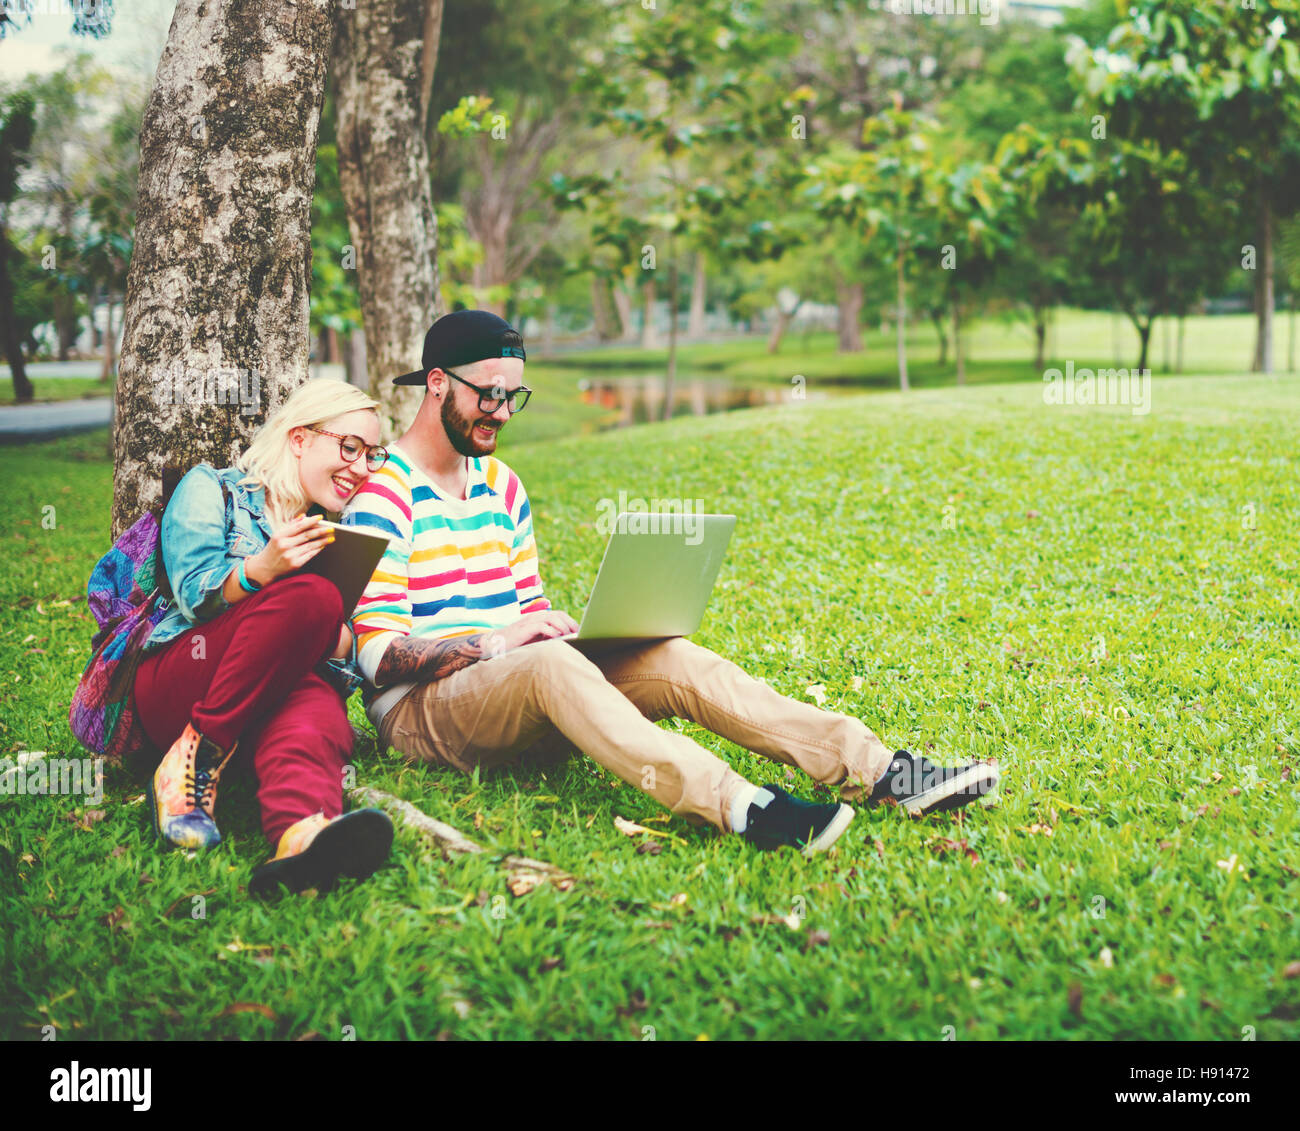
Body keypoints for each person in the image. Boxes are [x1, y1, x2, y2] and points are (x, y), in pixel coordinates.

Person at [341, 311, 1000, 855]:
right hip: (421, 715)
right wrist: (498, 643)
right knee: (546, 663)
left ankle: (882, 771)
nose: (504, 412)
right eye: (489, 394)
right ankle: (742, 806)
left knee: (670, 656)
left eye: (515, 396)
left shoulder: (502, 486)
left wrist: (565, 632)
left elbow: (527, 612)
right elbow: (377, 659)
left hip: (518, 693)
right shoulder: (382, 495)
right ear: (437, 383)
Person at [132, 378, 394, 895]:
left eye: (371, 455)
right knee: (312, 597)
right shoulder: (213, 488)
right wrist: (261, 570)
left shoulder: (331, 533)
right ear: (299, 438)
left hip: (263, 699)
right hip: (181, 679)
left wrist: (331, 635)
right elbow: (193, 594)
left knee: (317, 699)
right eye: (350, 447)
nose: (362, 468)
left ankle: (301, 834)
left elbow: (340, 654)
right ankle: (192, 757)